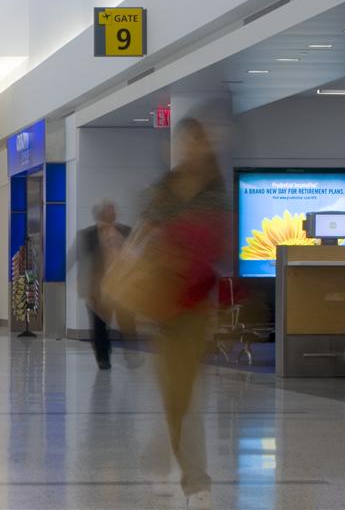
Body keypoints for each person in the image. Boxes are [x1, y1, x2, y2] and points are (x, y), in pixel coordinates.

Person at [140, 118, 230, 508]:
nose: (189, 149)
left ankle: (193, 480)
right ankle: (164, 461)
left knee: (187, 396)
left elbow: (220, 244)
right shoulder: (166, 188)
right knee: (175, 395)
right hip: (163, 302)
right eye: (184, 142)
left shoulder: (215, 191)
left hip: (196, 306)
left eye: (196, 142)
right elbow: (145, 234)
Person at [70, 201, 133, 370]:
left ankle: (130, 353)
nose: (114, 213)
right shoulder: (87, 235)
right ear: (101, 214)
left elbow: (135, 254)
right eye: (110, 210)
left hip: (121, 287)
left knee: (127, 320)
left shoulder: (126, 232)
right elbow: (74, 256)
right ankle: (103, 357)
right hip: (97, 289)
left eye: (114, 210)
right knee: (99, 325)